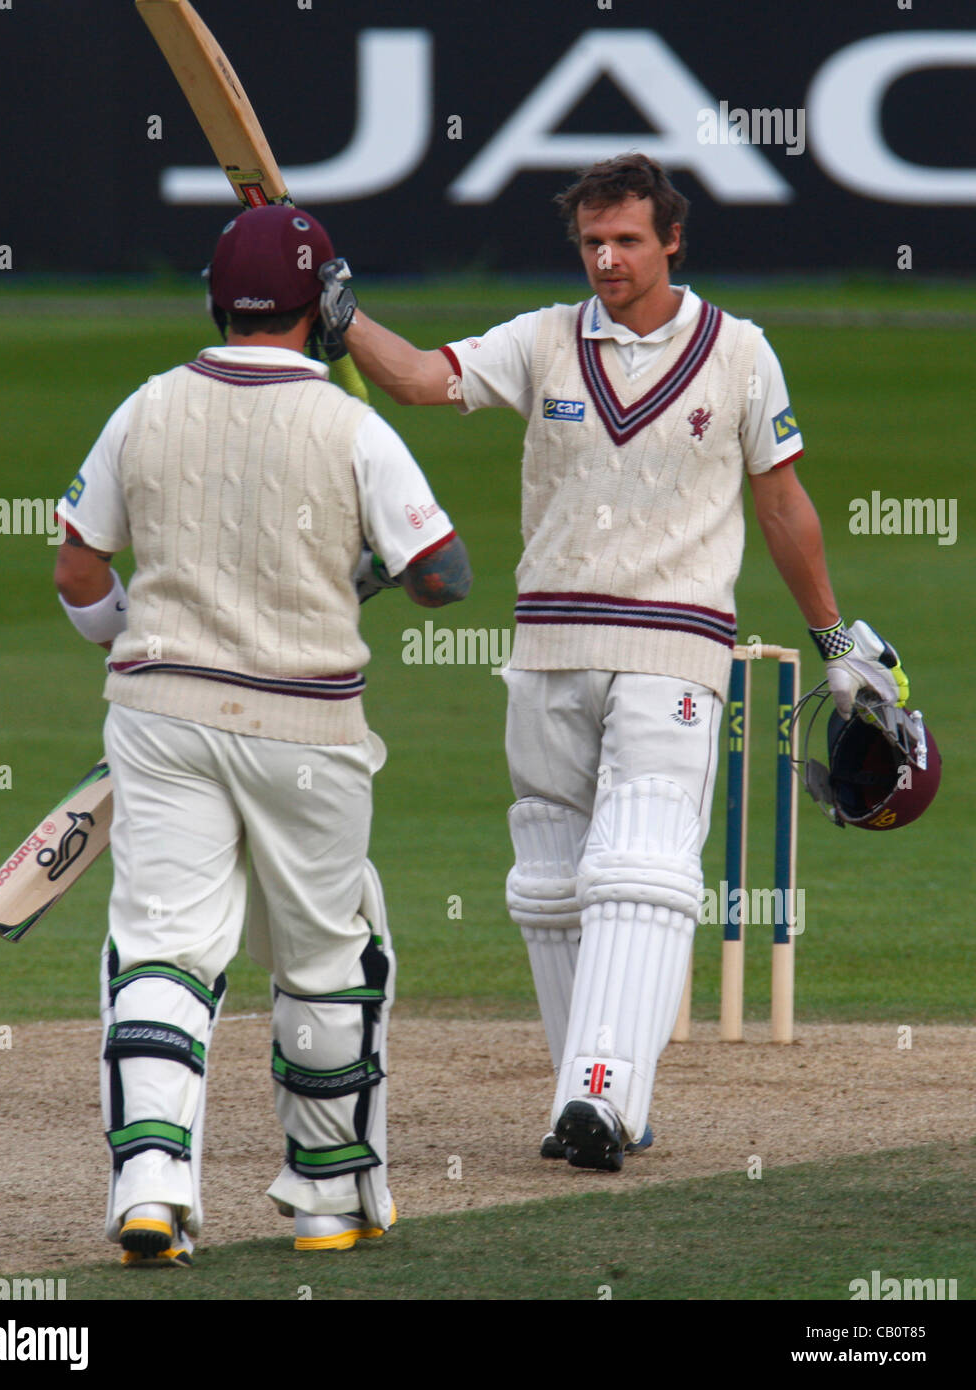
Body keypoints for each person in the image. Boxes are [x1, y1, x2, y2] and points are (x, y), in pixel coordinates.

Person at [322, 152, 899, 1171]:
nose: (607, 259)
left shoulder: (740, 352)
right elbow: (416, 378)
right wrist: (338, 308)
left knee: (638, 866)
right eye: (592, 241)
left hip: (673, 648)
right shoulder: (543, 339)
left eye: (628, 239)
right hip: (546, 646)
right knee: (549, 884)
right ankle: (603, 1101)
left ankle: (594, 1094)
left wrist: (828, 637)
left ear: (670, 238)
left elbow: (781, 504)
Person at [53, 203, 471, 1263]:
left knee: (161, 943)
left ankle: (151, 1184)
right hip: (307, 721)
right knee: (327, 952)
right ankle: (328, 1198)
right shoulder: (354, 425)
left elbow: (77, 568)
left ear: (211, 297)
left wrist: (120, 639)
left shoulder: (145, 407)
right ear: (324, 306)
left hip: (159, 710)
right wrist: (362, 570)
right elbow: (445, 577)